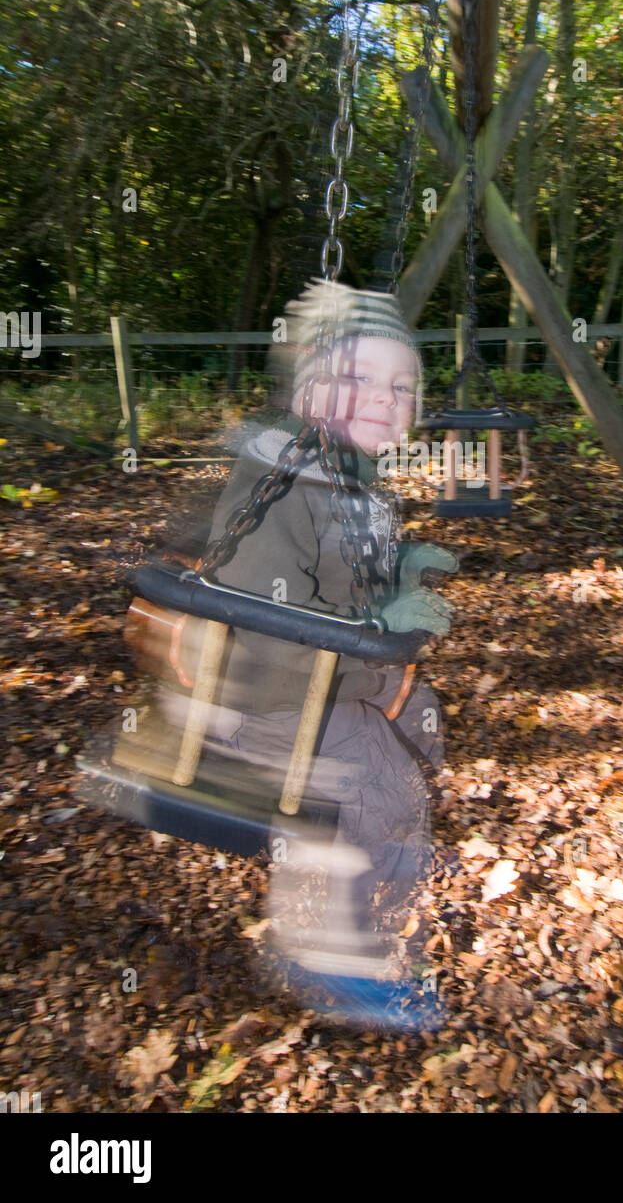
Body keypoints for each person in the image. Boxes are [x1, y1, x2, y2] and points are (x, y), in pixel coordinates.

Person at [201, 280, 458, 1032]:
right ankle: (333, 957)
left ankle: (360, 853)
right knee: (375, 786)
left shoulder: (346, 468)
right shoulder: (279, 480)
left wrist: (403, 568)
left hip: (324, 676)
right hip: (266, 695)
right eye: (357, 378)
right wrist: (380, 627)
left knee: (418, 722)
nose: (385, 398)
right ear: (311, 384)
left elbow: (349, 571)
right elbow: (273, 622)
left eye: (402, 385)